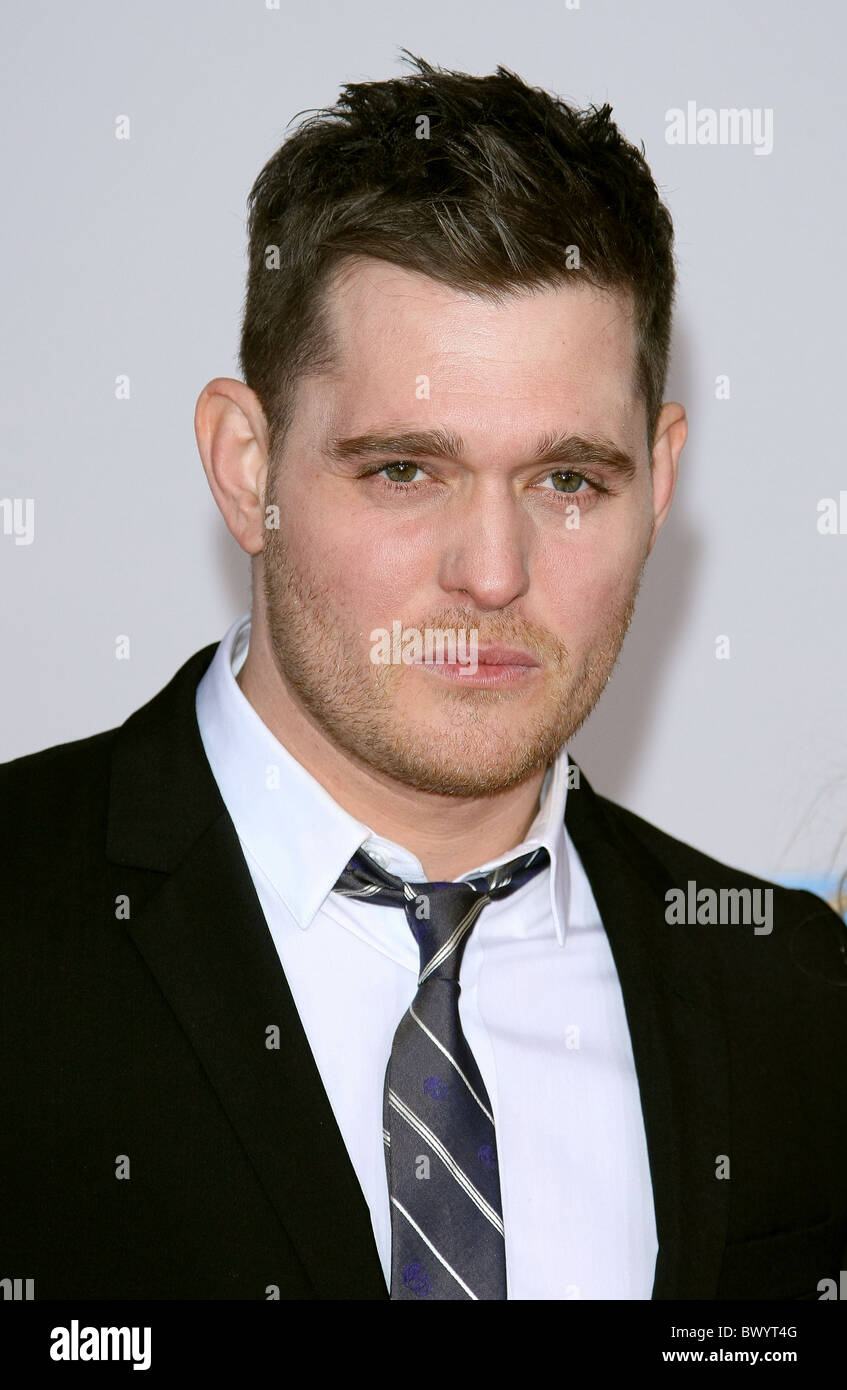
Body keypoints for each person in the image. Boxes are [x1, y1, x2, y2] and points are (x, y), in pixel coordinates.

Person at [2, 53, 845, 1302]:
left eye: (569, 480)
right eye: (405, 470)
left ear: (659, 482)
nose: (493, 574)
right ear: (247, 468)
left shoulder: (792, 996)